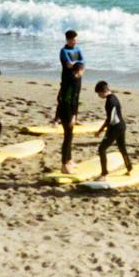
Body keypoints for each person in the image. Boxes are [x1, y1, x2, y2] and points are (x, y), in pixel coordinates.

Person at [55, 30, 85, 172]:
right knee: (68, 135)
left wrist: (77, 65)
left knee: (70, 134)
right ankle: (63, 165)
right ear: (68, 39)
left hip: (68, 104)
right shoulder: (63, 51)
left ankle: (69, 159)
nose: (75, 41)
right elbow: (68, 65)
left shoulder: (76, 78)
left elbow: (82, 62)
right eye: (73, 39)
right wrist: (72, 116)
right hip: (65, 107)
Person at [95, 81, 131, 177]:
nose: (99, 96)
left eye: (99, 93)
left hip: (115, 127)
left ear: (103, 91)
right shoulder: (114, 97)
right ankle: (129, 167)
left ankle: (104, 173)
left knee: (101, 149)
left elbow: (110, 120)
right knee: (122, 148)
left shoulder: (110, 102)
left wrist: (100, 130)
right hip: (122, 125)